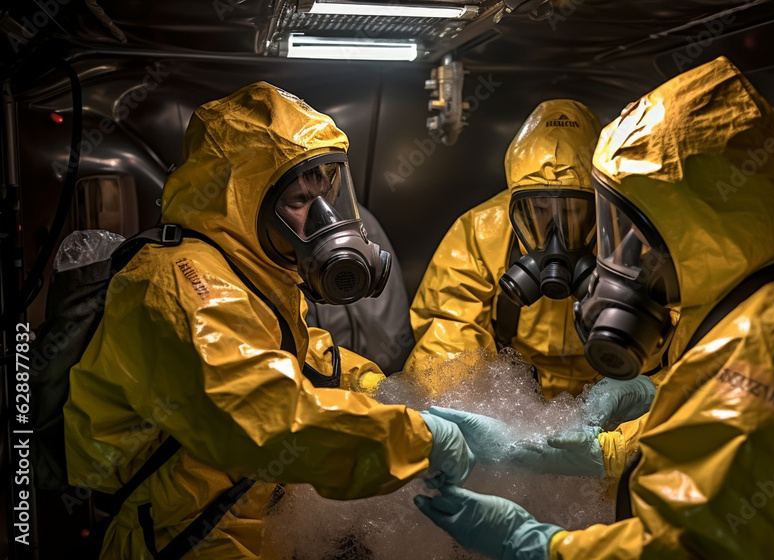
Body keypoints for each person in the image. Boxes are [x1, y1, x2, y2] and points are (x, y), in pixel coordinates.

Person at [414, 57, 774, 559]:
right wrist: (596, 447)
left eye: (630, 229)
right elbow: (716, 445)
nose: (624, 259)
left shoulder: (771, 343)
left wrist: (538, 545)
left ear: (692, 222)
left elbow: (682, 547)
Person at [62, 82, 474, 559]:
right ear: (239, 201)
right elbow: (264, 413)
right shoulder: (179, 283)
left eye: (326, 194)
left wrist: (380, 391)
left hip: (245, 524)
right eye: (298, 201)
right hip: (181, 536)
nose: (324, 219)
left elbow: (296, 354)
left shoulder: (248, 266)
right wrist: (420, 440)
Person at [405, 99, 658, 423]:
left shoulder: (636, 239)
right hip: (514, 405)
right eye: (538, 209)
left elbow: (676, 345)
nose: (555, 227)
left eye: (571, 210)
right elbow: (447, 340)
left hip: (609, 406)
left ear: (598, 201)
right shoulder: (480, 232)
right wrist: (475, 415)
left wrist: (638, 399)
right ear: (516, 203)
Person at [305, 203, 415, 377]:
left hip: (384, 372)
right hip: (328, 382)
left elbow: (394, 328)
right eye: (299, 199)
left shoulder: (360, 221)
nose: (319, 202)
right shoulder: (278, 241)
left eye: (326, 190)